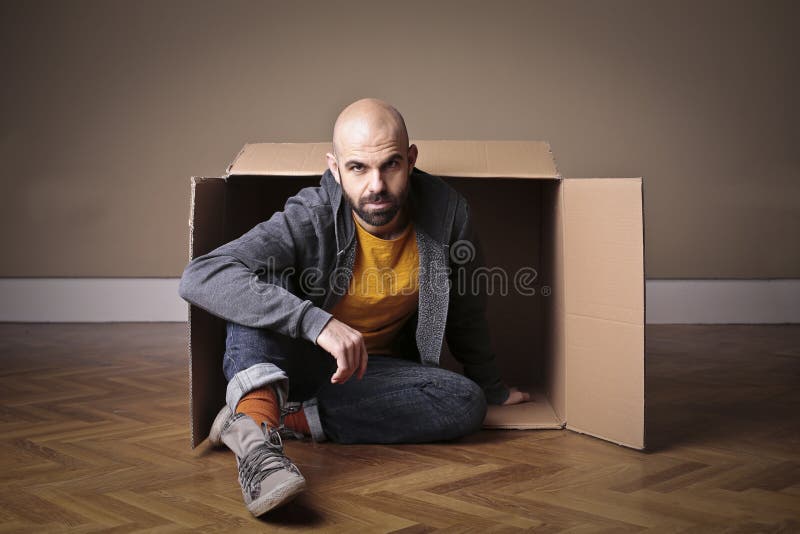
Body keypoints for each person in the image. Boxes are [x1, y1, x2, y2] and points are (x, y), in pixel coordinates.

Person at [178, 98, 531, 517]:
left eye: (391, 165)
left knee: (466, 402)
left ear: (411, 159)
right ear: (335, 167)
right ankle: (258, 448)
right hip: (291, 358)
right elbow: (201, 275)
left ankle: (270, 419)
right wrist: (316, 322)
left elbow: (467, 310)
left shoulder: (448, 214)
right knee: (262, 277)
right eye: (358, 168)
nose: (376, 185)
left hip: (368, 375)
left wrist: (491, 385)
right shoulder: (311, 214)